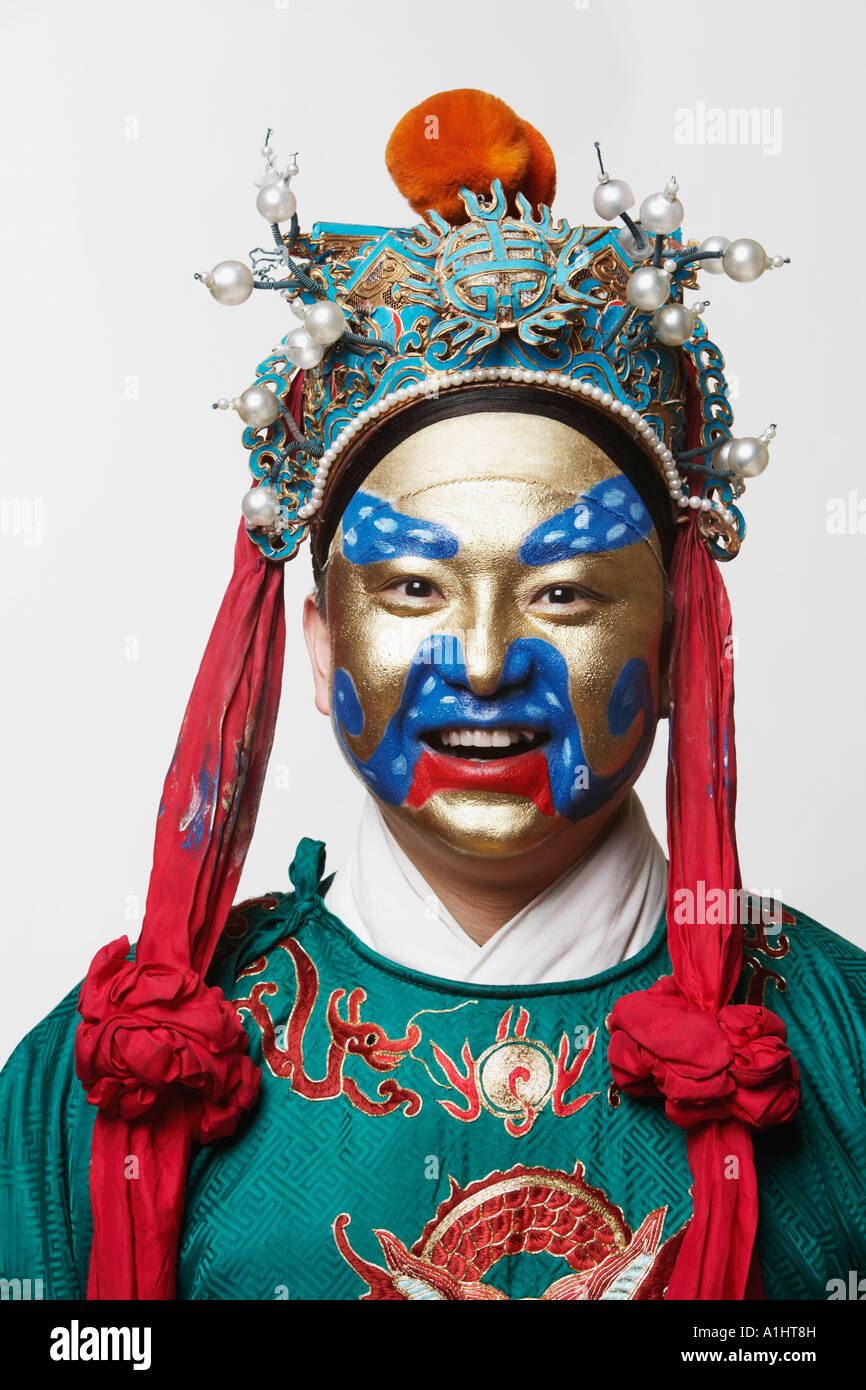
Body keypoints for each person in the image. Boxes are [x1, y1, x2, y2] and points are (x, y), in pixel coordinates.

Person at [1, 89, 863, 1303]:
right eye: (412, 586)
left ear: (676, 642)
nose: (481, 658)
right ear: (314, 645)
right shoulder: (115, 1079)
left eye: (562, 594)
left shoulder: (840, 1049)